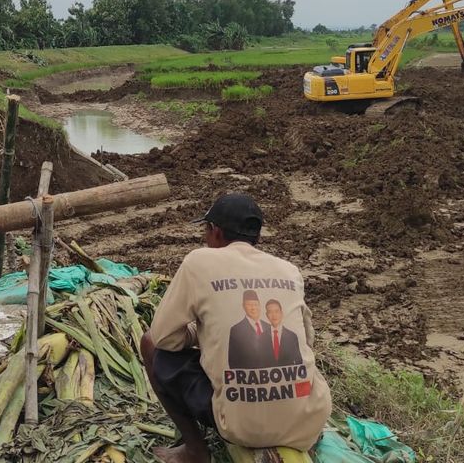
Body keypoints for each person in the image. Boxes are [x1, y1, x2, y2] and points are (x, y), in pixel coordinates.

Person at [140, 193, 331, 462]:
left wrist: (199, 333)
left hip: (242, 427)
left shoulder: (199, 261)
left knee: (149, 343)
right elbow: (307, 341)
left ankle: (195, 450)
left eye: (206, 231)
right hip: (308, 420)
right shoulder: (289, 270)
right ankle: (293, 426)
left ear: (215, 232)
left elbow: (163, 337)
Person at [227, 290, 271, 369]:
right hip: (249, 377)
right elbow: (233, 361)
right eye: (249, 304)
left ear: (259, 306)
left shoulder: (269, 327)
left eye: (255, 304)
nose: (253, 308)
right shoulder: (236, 329)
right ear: (243, 306)